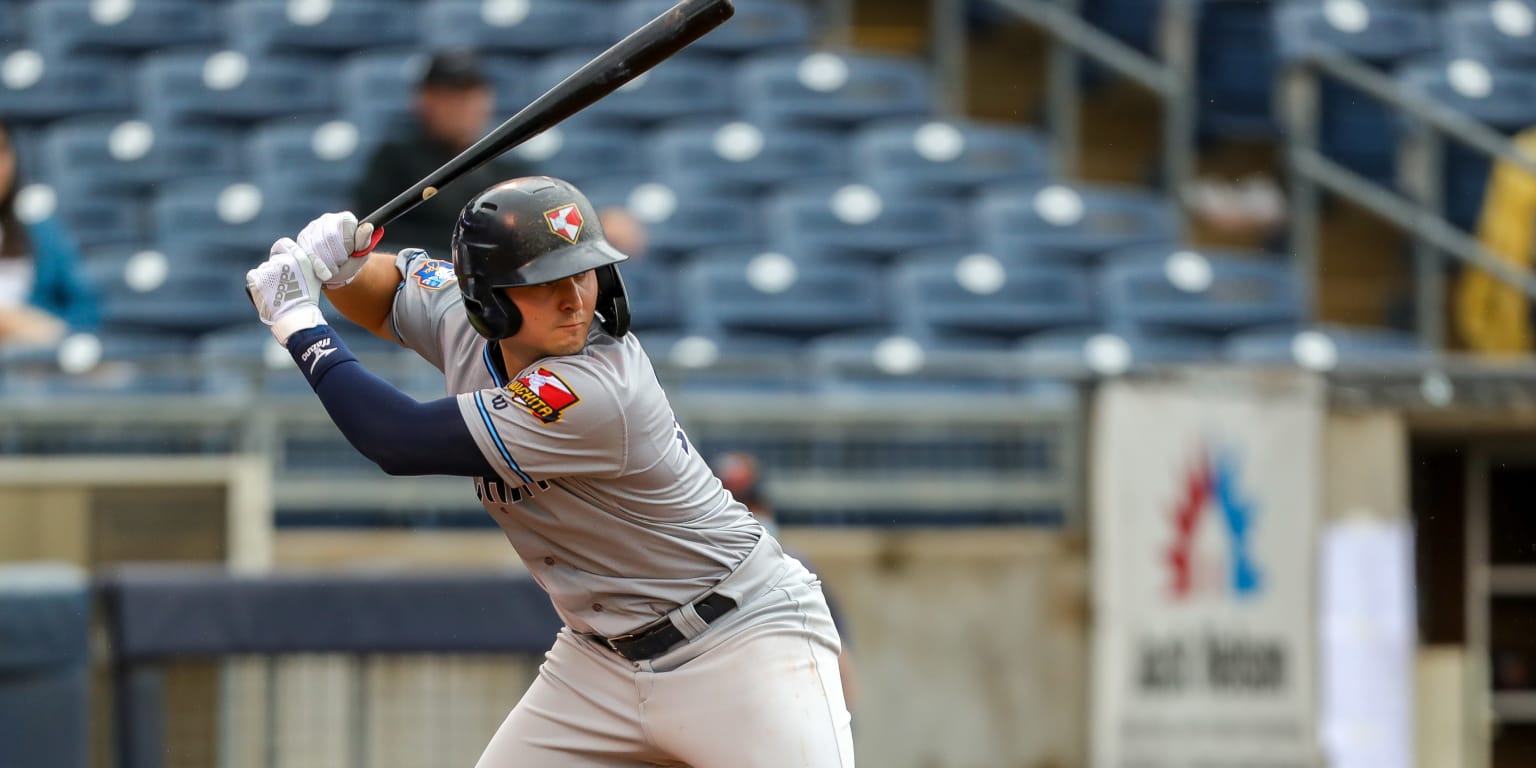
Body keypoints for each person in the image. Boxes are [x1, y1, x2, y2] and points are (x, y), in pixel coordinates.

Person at [245, 176, 855, 767]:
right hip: (599, 662)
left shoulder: (600, 389)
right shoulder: (469, 318)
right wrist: (343, 270)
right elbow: (388, 296)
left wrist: (300, 325)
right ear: (487, 298)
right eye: (544, 281)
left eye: (584, 272)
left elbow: (397, 440)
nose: (574, 299)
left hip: (738, 640)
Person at [711, 451, 860, 713]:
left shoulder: (794, 567)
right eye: (732, 506)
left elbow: (838, 659)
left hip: (793, 712)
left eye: (750, 503)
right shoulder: (693, 577)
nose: (744, 514)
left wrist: (839, 721)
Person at [352, 49, 537, 255]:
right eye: (448, 96)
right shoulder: (394, 161)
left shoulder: (511, 174)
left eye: (469, 96)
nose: (461, 108)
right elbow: (372, 236)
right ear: (423, 100)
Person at [0, 117, 97, 349]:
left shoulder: (42, 234)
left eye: (1, 151)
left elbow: (86, 314)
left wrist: (33, 326)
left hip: (30, 363)